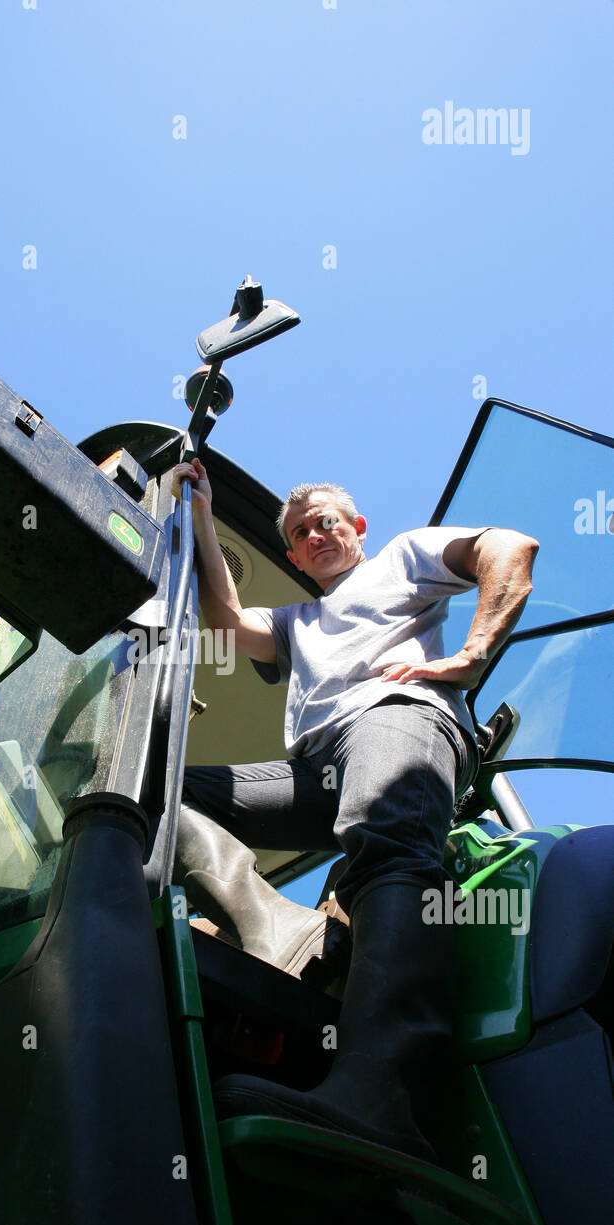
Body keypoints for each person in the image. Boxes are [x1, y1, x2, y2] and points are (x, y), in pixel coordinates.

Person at [171, 457, 539, 1164]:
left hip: (398, 717)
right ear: (294, 556)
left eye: (327, 522)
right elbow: (222, 617)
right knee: (166, 786)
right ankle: (274, 926)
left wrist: (472, 654)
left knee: (388, 848)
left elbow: (511, 548)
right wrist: (199, 516)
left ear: (358, 529)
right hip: (319, 764)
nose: (316, 535)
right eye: (302, 532)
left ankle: (382, 1099)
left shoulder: (402, 557)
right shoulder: (295, 620)